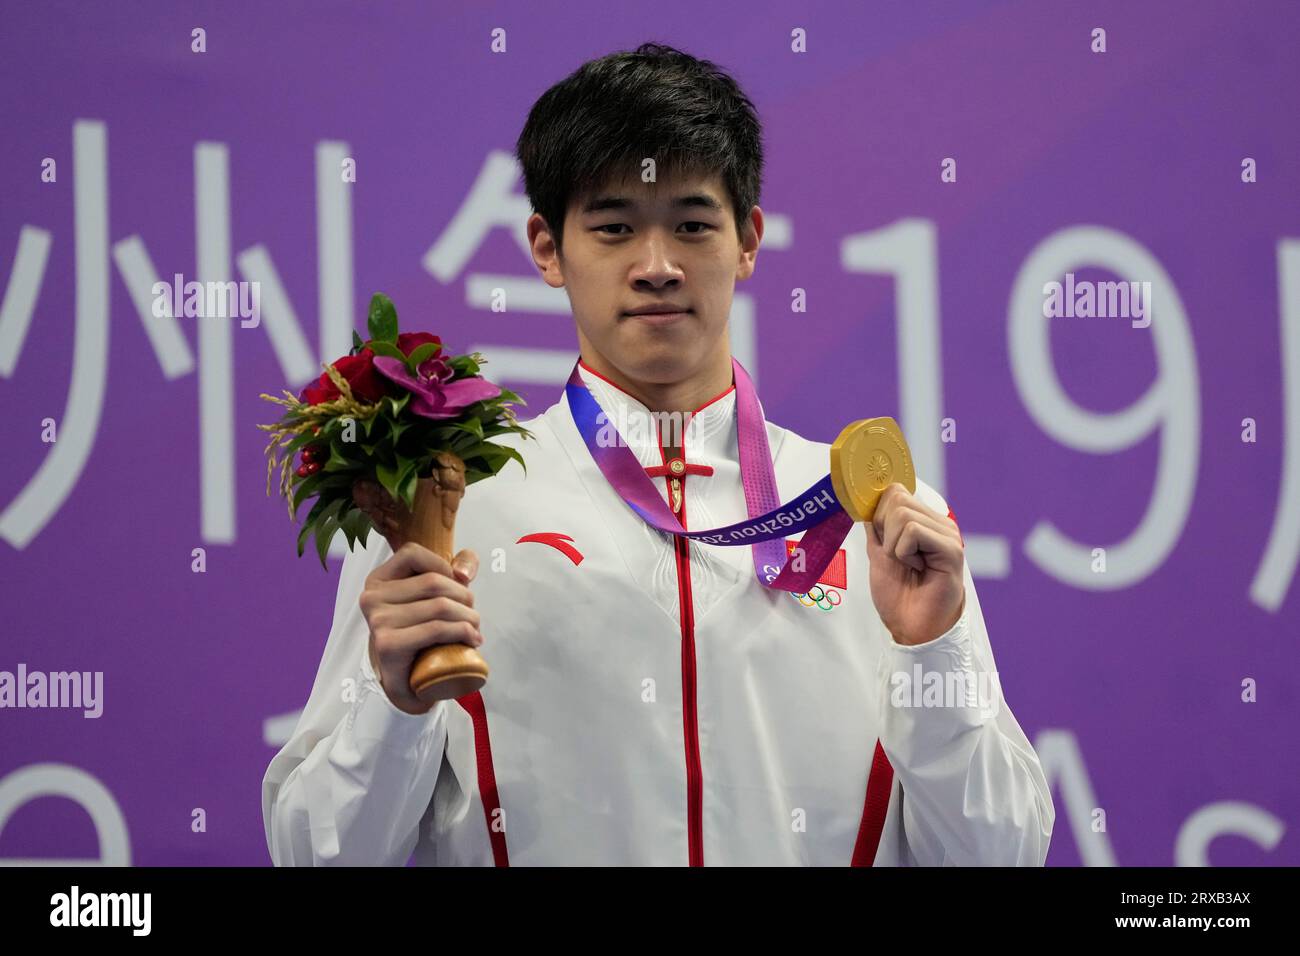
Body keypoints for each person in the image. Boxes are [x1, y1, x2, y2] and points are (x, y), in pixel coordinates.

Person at [261, 42, 1055, 866]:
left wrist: (935, 653)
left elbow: (999, 853)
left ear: (747, 240)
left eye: (692, 224)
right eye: (612, 228)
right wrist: (394, 709)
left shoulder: (872, 516)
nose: (657, 267)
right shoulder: (449, 505)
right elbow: (318, 855)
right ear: (545, 247)